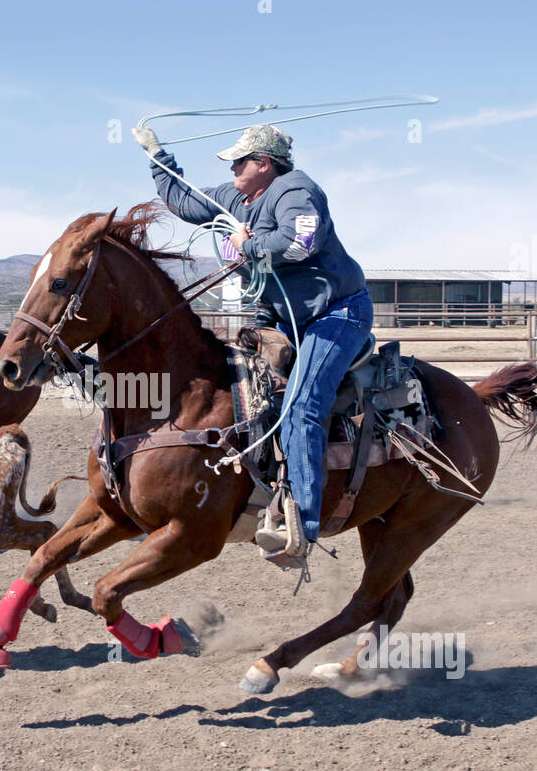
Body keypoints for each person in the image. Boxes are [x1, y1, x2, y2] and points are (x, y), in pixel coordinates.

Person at [132, 123, 373, 563]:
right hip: (285, 316)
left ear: (264, 163)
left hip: (334, 314)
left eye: (240, 162)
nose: (234, 168)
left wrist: (249, 245)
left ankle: (303, 524)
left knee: (302, 407)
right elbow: (185, 199)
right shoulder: (238, 198)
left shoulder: (295, 190)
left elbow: (300, 243)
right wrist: (157, 156)